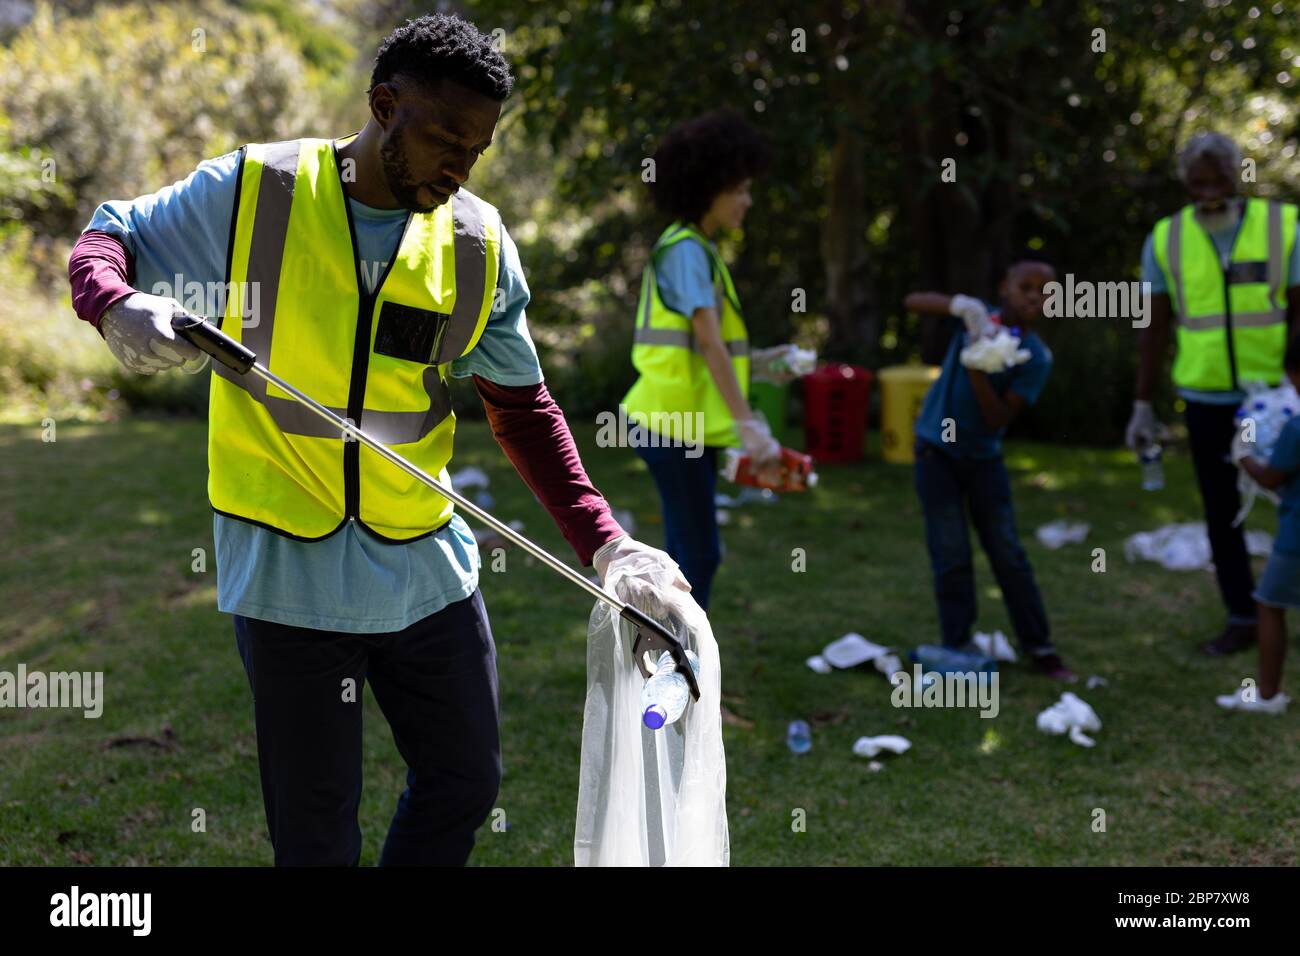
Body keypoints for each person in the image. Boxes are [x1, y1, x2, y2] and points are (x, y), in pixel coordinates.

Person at [67, 13, 688, 866]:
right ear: (384, 104)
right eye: (444, 139)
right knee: (315, 831)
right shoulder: (256, 191)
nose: (459, 167)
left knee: (466, 780)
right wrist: (114, 303)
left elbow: (524, 409)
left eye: (478, 150)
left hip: (424, 566)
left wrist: (608, 545)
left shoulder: (477, 244)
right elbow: (108, 238)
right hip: (288, 571)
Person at [1128, 132, 1300, 656]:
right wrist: (1142, 403)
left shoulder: (1282, 225)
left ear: (1238, 175)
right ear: (1184, 182)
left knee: (1291, 499)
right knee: (1223, 508)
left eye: (1219, 179)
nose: (1209, 190)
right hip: (1208, 401)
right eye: (1198, 181)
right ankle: (1242, 614)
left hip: (1274, 398)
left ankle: (1277, 604)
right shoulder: (1165, 238)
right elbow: (1153, 327)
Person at [620, 109, 792, 611]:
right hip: (670, 426)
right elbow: (710, 344)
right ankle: (676, 670)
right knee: (695, 557)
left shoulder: (694, 249)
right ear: (708, 188)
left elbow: (707, 347)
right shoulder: (688, 251)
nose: (747, 200)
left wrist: (761, 364)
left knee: (693, 554)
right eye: (738, 189)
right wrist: (750, 426)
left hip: (679, 425)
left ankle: (672, 667)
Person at [904, 254, 1074, 680]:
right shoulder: (978, 321)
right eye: (1025, 287)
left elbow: (999, 417)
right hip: (935, 454)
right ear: (1004, 288)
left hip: (983, 461)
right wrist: (962, 306)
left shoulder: (1035, 357)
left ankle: (1040, 646)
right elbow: (913, 300)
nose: (1034, 296)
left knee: (1008, 553)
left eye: (1045, 291)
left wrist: (978, 367)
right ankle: (957, 643)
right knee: (951, 552)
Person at [1217, 337, 1300, 713]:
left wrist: (1244, 455)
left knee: (1268, 604)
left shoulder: (1295, 428)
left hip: (1296, 538)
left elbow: (1271, 478)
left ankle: (1267, 695)